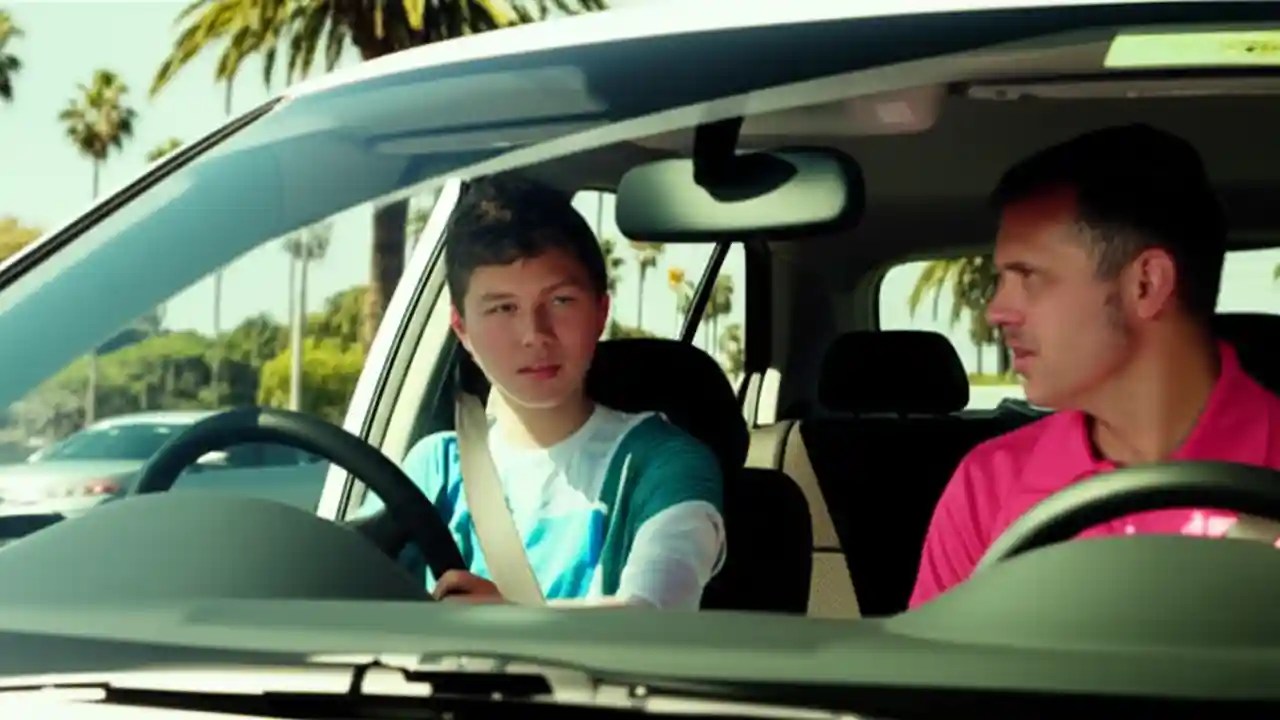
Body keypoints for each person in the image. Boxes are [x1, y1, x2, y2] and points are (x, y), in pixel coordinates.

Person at [909, 124, 1280, 608]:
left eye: (1028, 278)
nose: (996, 310)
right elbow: (936, 679)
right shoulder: (988, 486)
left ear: (1145, 284)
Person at [362, 175, 726, 610]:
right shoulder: (435, 469)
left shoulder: (663, 465)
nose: (534, 334)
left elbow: (653, 616)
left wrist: (515, 622)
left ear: (600, 312)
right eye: (503, 308)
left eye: (560, 302)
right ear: (462, 330)